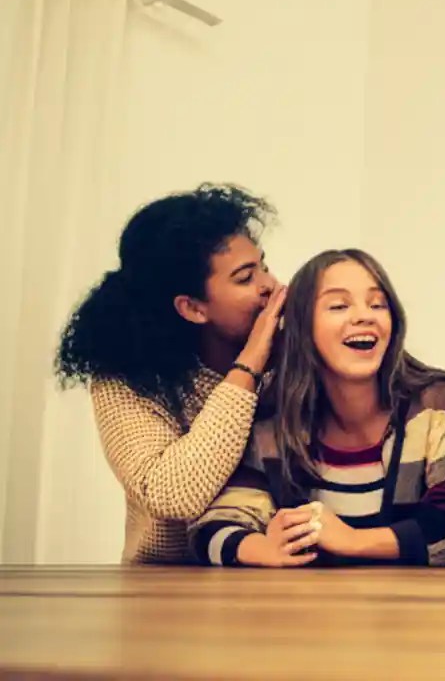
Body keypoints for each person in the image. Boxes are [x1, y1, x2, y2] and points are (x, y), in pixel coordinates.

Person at [189, 249, 445, 567]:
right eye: (339, 305)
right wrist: (264, 549)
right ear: (302, 329)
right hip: (313, 612)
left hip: (423, 611)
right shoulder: (273, 422)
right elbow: (210, 531)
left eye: (378, 304)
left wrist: (355, 542)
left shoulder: (438, 405)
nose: (364, 316)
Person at [54, 183, 284, 564]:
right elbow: (175, 495)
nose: (270, 286)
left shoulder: (291, 358)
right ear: (193, 308)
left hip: (277, 577)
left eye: (264, 266)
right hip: (164, 585)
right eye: (245, 278)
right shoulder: (124, 378)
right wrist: (248, 366)